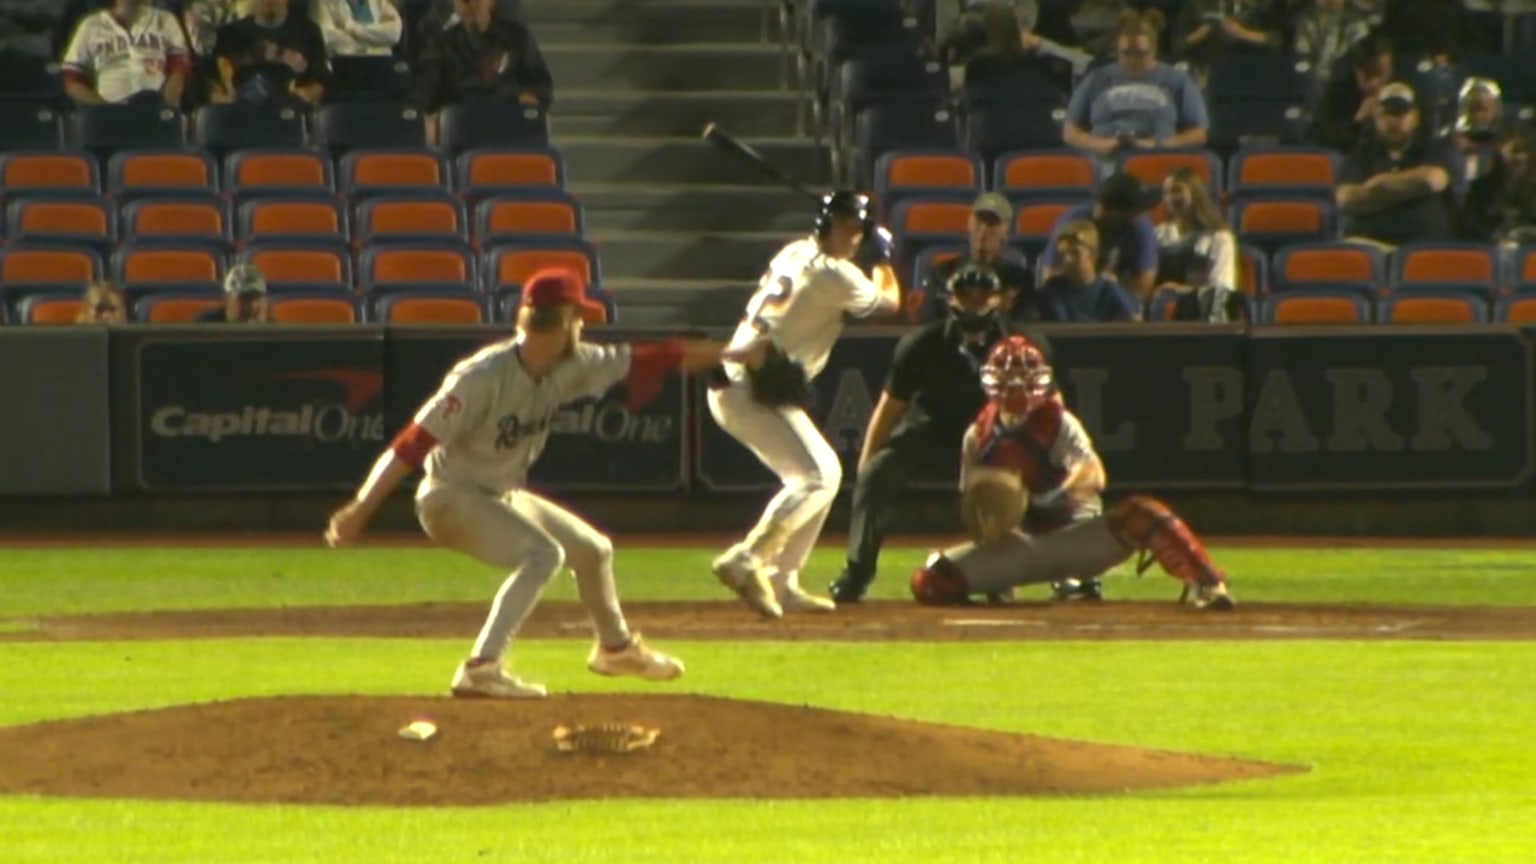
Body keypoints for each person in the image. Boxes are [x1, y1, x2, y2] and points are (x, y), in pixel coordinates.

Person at [324, 268, 736, 699]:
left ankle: (614, 648)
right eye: (578, 316)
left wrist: (735, 353)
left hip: (501, 494)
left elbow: (658, 357)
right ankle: (482, 667)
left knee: (593, 550)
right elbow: (412, 443)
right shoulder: (482, 376)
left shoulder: (574, 363)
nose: (583, 324)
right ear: (562, 320)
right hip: (450, 498)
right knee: (543, 555)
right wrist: (360, 508)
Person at [909, 335, 1236, 610]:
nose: (1017, 389)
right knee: (931, 580)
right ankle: (1003, 584)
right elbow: (973, 505)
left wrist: (1057, 494)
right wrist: (992, 524)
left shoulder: (1058, 423)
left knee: (1142, 512)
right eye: (1009, 381)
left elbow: (1094, 473)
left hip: (1076, 534)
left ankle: (1207, 583)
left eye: (1024, 380)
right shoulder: (977, 436)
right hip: (1020, 543)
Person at [708, 190, 901, 618]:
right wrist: (884, 256)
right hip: (750, 383)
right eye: (853, 227)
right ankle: (749, 557)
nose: (856, 237)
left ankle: (782, 580)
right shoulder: (837, 275)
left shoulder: (794, 251)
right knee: (816, 476)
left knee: (824, 472)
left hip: (739, 378)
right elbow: (891, 303)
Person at [830, 266, 1051, 604]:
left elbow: (1052, 409)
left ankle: (999, 575)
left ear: (1000, 300)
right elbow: (889, 409)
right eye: (966, 296)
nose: (975, 305)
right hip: (929, 433)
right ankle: (857, 572)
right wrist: (866, 467)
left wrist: (1039, 459)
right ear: (950, 300)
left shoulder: (1023, 345)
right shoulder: (922, 344)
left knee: (1018, 489)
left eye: (982, 297)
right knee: (878, 472)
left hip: (992, 439)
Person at [1061, 8, 1209, 174]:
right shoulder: (1096, 79)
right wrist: (1102, 144)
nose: (1132, 60)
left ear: (1154, 50)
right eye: (1126, 53)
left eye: (1140, 53)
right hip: (1105, 162)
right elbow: (1070, 132)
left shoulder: (1177, 80)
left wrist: (1157, 145)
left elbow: (1198, 133)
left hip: (1158, 161)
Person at [1334, 81, 1456, 249]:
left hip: (1424, 246)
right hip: (1368, 244)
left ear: (1415, 117)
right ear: (1376, 117)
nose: (1393, 120)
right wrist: (1410, 186)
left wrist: (1377, 186)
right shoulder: (1361, 154)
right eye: (1387, 113)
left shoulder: (1435, 150)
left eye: (1401, 113)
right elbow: (1346, 198)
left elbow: (1432, 180)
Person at [415, 0, 552, 144]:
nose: (468, 6)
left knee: (540, 119)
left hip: (507, 115)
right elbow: (424, 92)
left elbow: (541, 83)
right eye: (462, 1)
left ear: (491, 2)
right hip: (461, 120)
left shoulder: (516, 37)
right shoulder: (441, 44)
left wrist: (530, 96)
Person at [1038, 173, 1159, 299]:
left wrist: (1111, 288)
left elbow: (1144, 285)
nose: (1141, 215)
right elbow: (1051, 277)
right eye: (1136, 210)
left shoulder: (1140, 225)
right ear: (1115, 213)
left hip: (1115, 301)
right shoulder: (1074, 221)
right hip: (1072, 303)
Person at [917, 192, 1033, 323]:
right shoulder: (943, 273)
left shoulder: (1018, 280)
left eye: (992, 224)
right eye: (979, 222)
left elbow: (1027, 325)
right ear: (969, 224)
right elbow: (928, 322)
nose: (983, 231)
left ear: (1006, 232)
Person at [60, 0, 191, 108]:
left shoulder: (165, 20)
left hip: (155, 104)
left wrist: (167, 104)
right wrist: (103, 109)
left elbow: (179, 68)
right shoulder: (91, 25)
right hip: (110, 107)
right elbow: (72, 80)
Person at [1153, 166, 1239, 321]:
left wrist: (1184, 290)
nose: (1170, 198)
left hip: (1201, 313)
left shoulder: (1219, 238)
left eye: (1177, 191)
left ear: (1195, 194)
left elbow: (1222, 288)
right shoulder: (1159, 234)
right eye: (1166, 193)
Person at [206, 0, 330, 107]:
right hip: (239, 116)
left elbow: (323, 81)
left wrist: (308, 93)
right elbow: (207, 81)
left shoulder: (308, 32)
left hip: (292, 117)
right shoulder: (230, 34)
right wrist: (219, 97)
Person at [1035, 219, 1140, 322]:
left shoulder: (1108, 290)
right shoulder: (1053, 289)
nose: (1067, 260)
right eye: (1063, 254)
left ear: (1092, 254)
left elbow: (1134, 321)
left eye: (1075, 253)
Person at [1305, 32, 1392, 153]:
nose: (1374, 83)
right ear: (1357, 70)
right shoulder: (1338, 93)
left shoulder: (1402, 93)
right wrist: (1357, 122)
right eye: (1367, 74)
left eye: (1380, 74)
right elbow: (1316, 137)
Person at [310, 0, 403, 57]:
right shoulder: (322, 2)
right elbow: (327, 39)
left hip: (381, 67)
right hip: (346, 69)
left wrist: (351, 27)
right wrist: (375, 39)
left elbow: (394, 34)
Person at [197, 264, 270, 323]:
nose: (253, 305)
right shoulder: (204, 327)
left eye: (257, 297)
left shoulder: (276, 332)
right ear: (225, 300)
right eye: (245, 298)